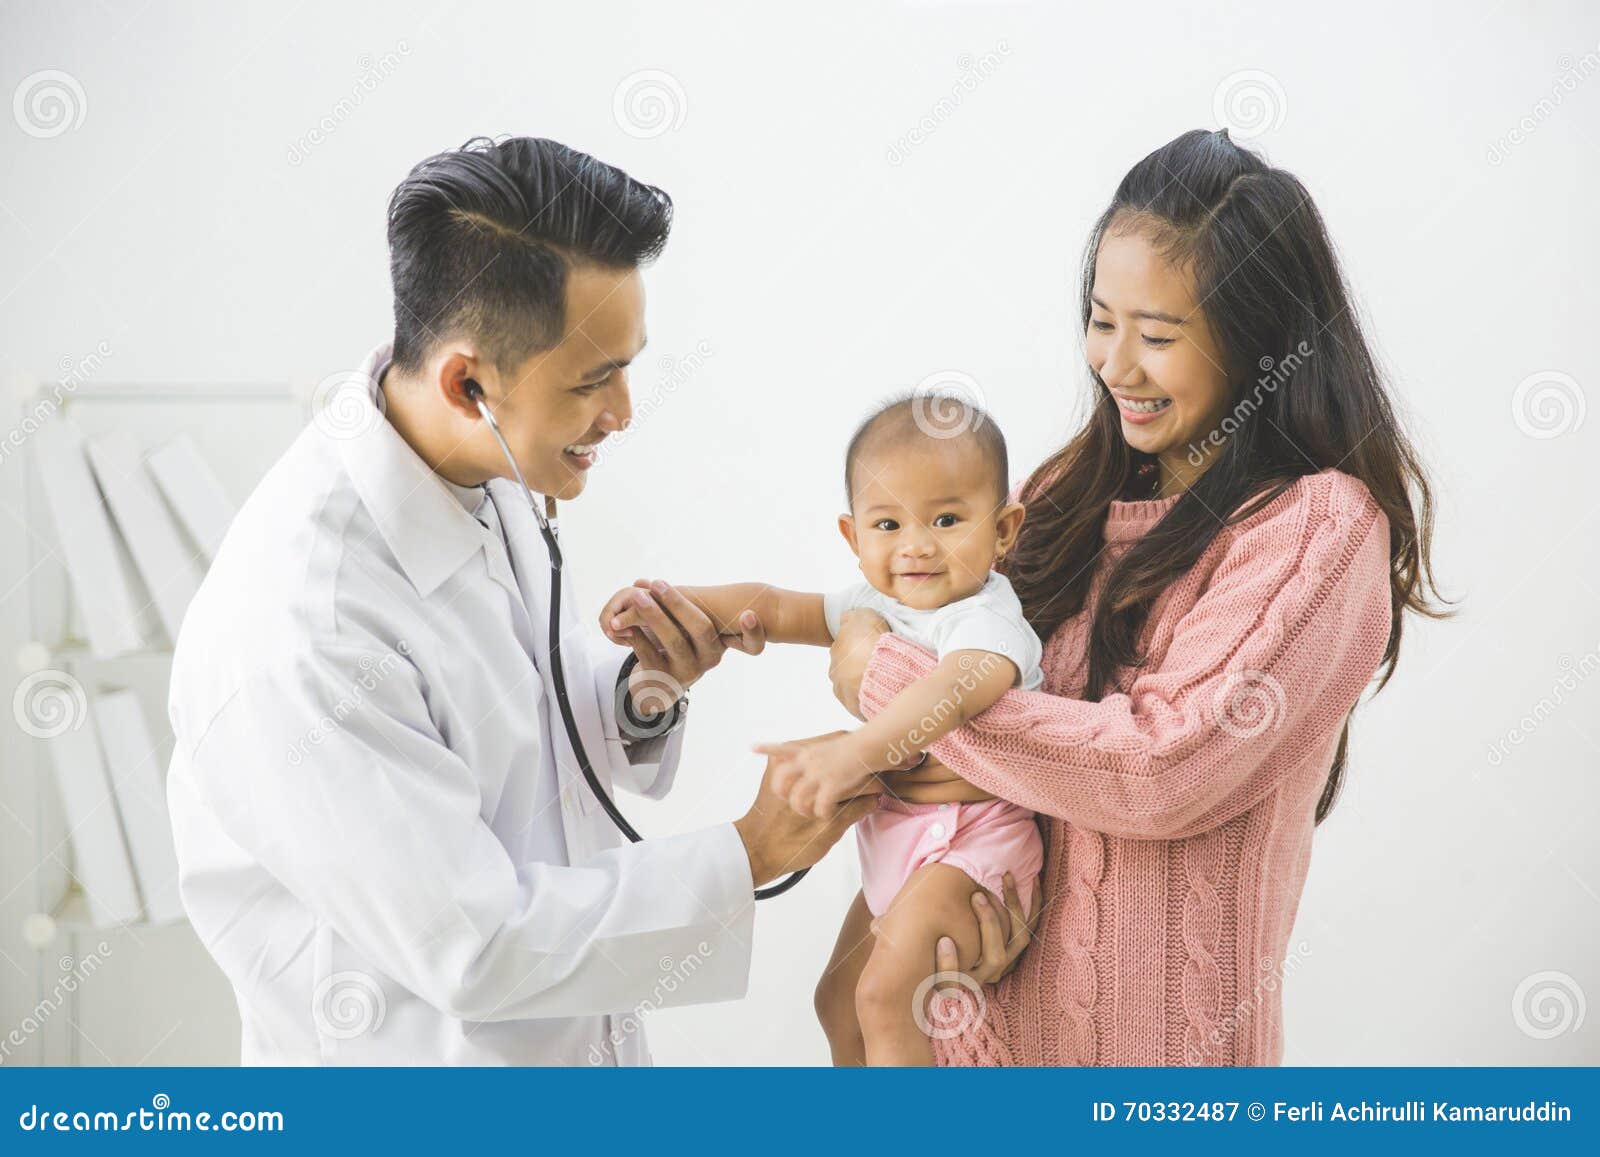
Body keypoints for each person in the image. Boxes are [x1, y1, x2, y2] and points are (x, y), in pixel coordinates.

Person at [630, 128, 1446, 1065]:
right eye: (1102, 321)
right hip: (969, 1051)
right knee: (839, 1004)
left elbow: (1158, 769)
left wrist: (874, 673)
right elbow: (955, 687)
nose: (1116, 364)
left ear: (1259, 337)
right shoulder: (1065, 493)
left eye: (1158, 335)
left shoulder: (1312, 529)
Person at [165, 136, 873, 1065]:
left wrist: (637, 693)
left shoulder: (476, 469)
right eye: (592, 380)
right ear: (468, 383)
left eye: (627, 366)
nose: (624, 411)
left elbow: (503, 730)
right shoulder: (306, 627)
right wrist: (753, 850)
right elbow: (476, 944)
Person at [601, 395, 1045, 1065]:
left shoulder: (985, 617)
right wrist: (676, 604)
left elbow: (951, 695)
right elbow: (779, 607)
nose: (916, 544)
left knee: (885, 997)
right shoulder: (876, 601)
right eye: (888, 523)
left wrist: (855, 754)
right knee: (836, 1000)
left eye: (948, 520)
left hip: (976, 844)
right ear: (853, 537)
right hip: (906, 841)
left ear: (1004, 529)